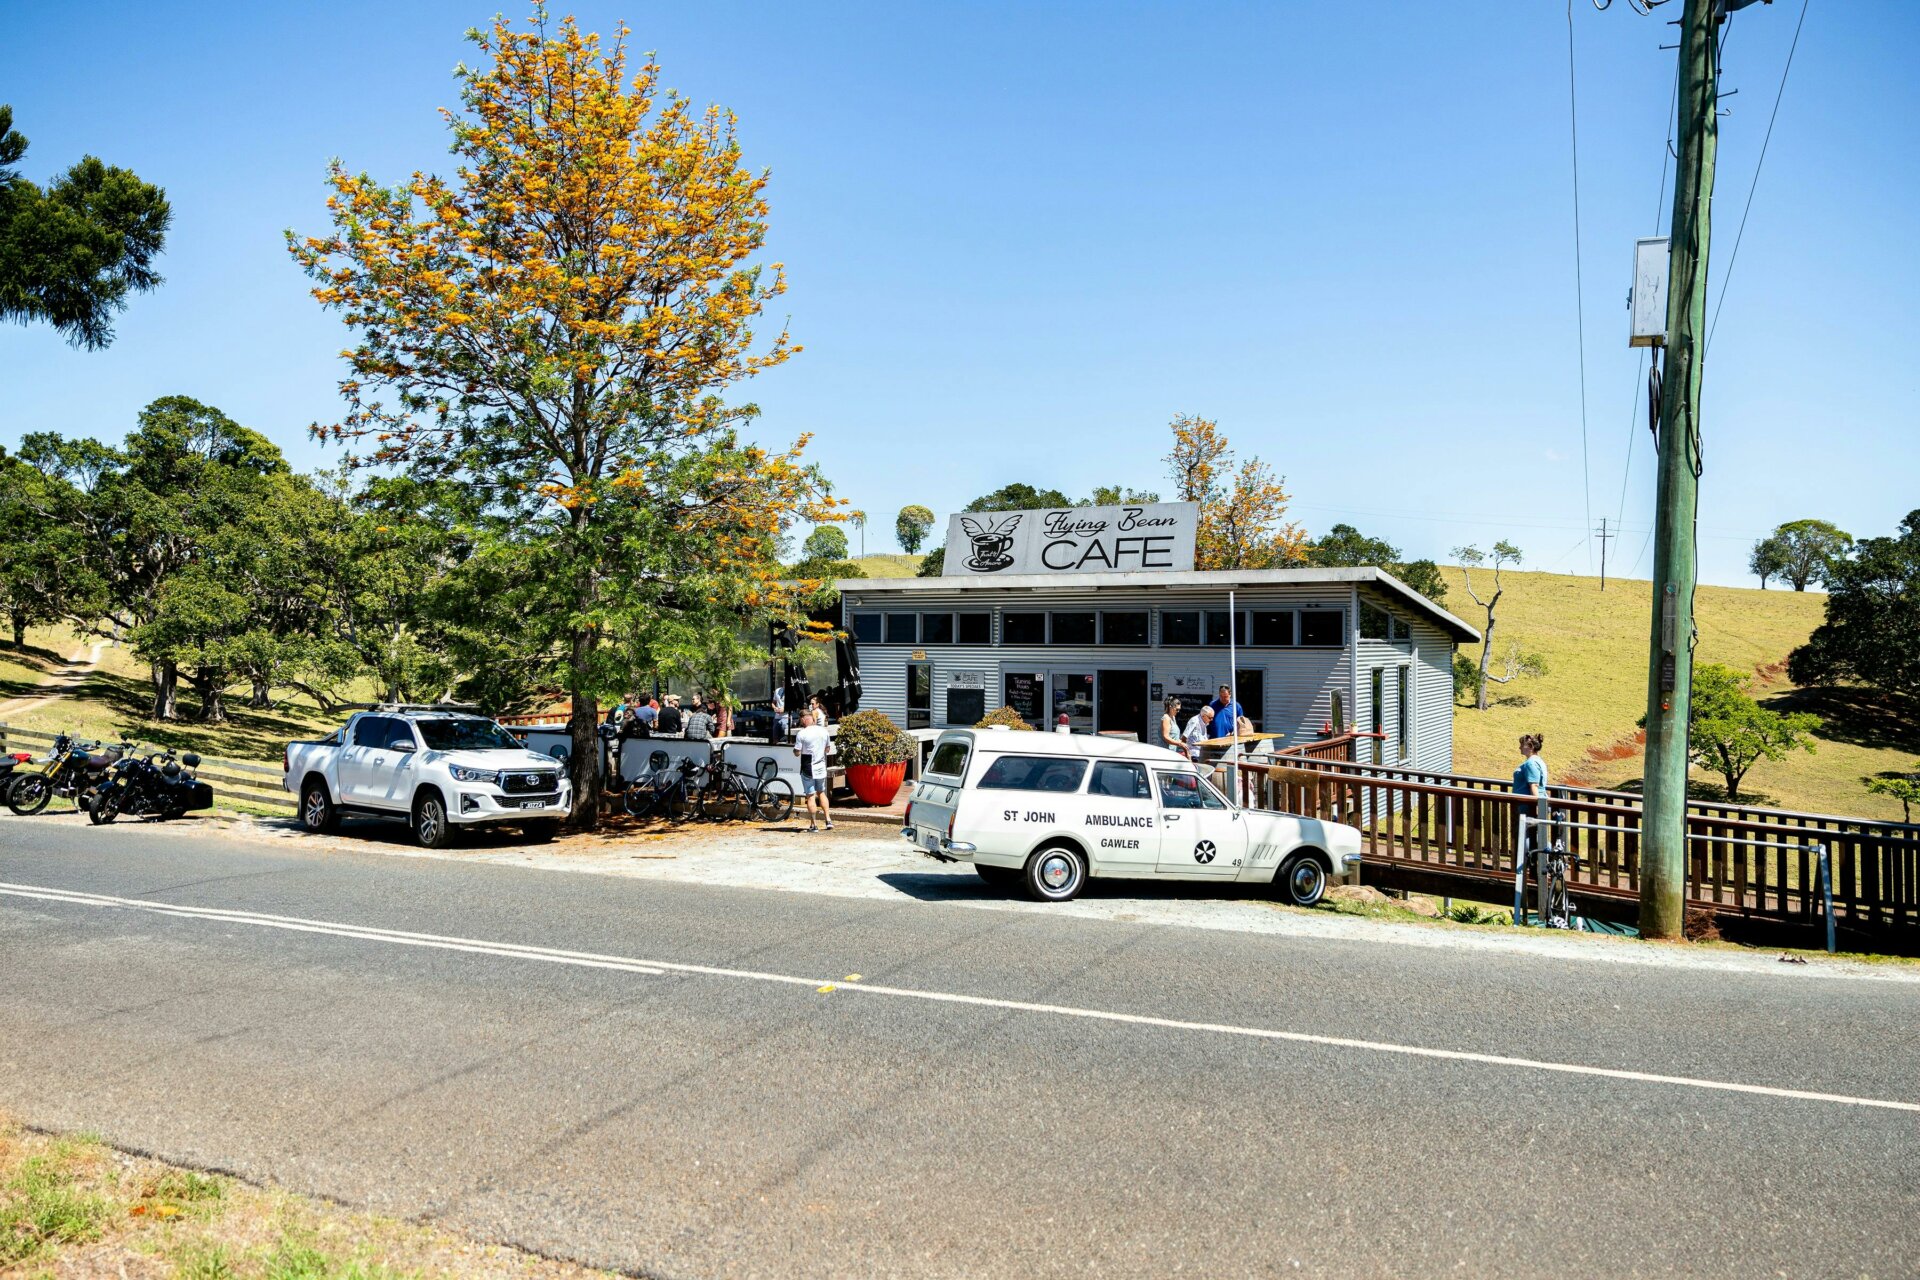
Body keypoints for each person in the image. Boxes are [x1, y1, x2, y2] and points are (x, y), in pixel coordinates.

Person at [794, 710, 834, 831]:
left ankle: (814, 824)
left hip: (808, 767)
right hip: (821, 766)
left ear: (803, 719)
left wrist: (796, 751)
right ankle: (828, 820)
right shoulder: (823, 731)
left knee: (810, 796)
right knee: (821, 792)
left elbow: (797, 752)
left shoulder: (802, 733)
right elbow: (827, 749)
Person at [1513, 733, 1549, 848]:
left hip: (1530, 805)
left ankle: (1528, 863)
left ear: (1530, 747)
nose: (1519, 747)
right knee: (1533, 834)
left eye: (1522, 745)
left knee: (1527, 836)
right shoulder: (1538, 761)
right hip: (1532, 804)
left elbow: (1534, 786)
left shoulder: (1531, 763)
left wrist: (1537, 805)